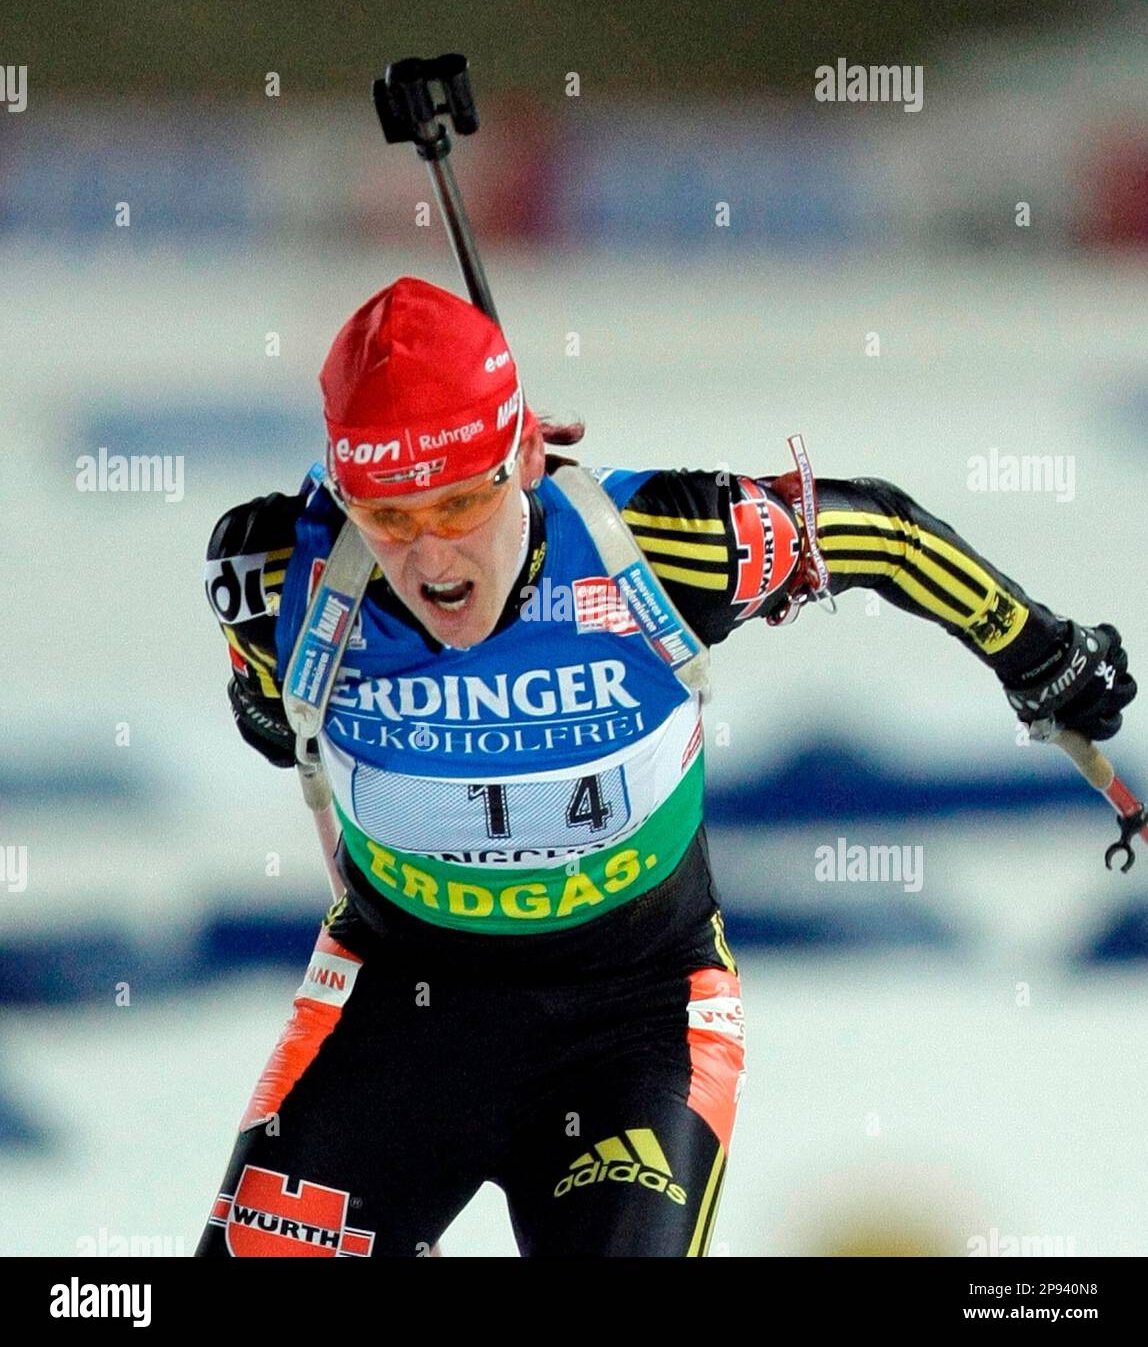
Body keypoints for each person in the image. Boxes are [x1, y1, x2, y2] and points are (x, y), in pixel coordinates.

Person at [195, 275, 1136, 1258]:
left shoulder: (662, 545)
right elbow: (273, 722)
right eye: (389, 517)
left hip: (633, 1022)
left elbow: (883, 535)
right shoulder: (274, 574)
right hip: (394, 1013)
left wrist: (1040, 651)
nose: (432, 560)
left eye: (462, 501)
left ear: (526, 456)